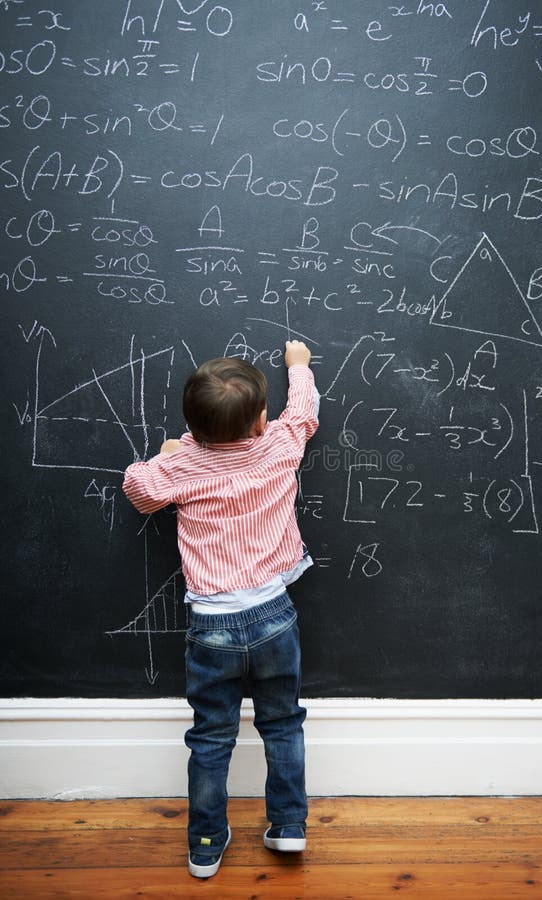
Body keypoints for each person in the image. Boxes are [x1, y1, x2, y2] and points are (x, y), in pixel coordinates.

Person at [122, 340, 319, 879]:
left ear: (194, 426)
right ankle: (288, 826)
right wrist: (298, 368)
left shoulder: (182, 463)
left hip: (211, 623)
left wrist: (165, 454)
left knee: (211, 734)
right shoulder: (279, 445)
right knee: (283, 724)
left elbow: (138, 490)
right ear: (260, 421)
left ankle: (206, 842)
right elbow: (302, 414)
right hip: (274, 614)